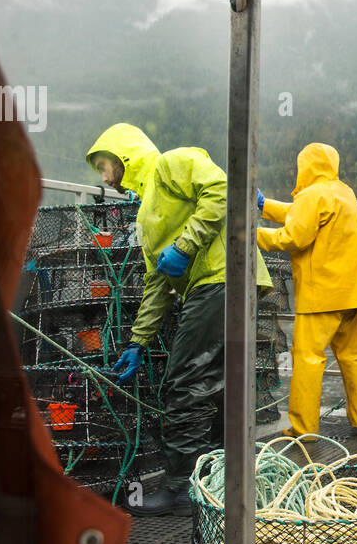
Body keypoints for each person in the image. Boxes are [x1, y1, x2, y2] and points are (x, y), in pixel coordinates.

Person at [87, 122, 272, 516]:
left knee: (186, 378)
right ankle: (222, 476)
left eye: (105, 165)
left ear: (126, 156)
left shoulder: (171, 164)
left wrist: (186, 247)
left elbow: (223, 190)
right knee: (218, 382)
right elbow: (158, 282)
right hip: (219, 285)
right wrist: (138, 341)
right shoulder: (145, 213)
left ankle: (180, 488)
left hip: (222, 278)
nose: (104, 176)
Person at [256, 143, 357, 439]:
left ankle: (303, 428)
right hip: (351, 296)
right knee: (356, 357)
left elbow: (293, 236)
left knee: (308, 361)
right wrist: (265, 206)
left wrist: (253, 234)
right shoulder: (343, 191)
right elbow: (301, 214)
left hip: (320, 298)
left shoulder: (311, 195)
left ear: (305, 166)